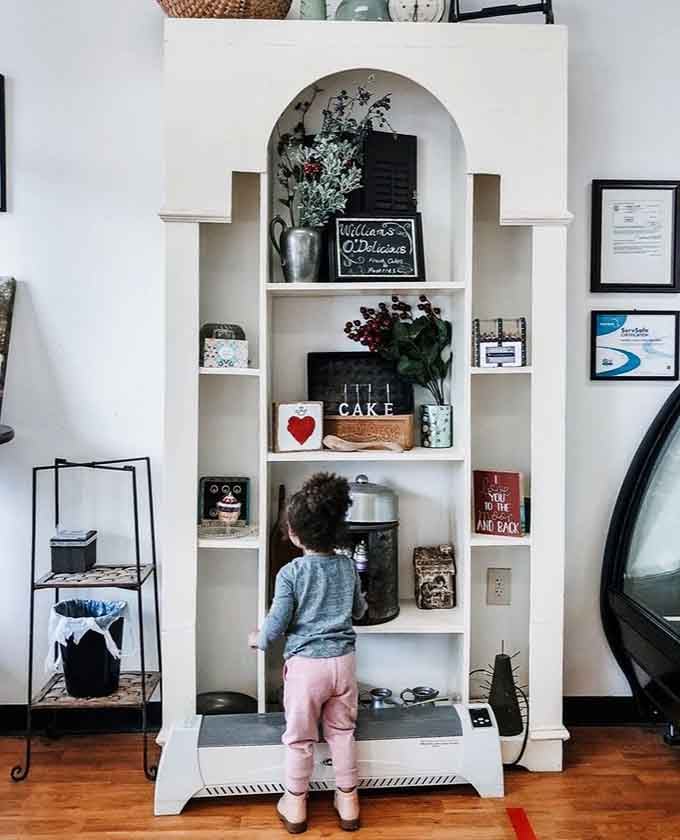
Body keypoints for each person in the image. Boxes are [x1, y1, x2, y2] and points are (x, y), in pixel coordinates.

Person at [249, 472, 367, 834]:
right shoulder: (347, 566)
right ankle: (348, 801)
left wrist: (259, 639)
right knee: (342, 732)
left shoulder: (291, 573)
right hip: (343, 665)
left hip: (306, 669)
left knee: (299, 738)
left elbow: (277, 620)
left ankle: (296, 804)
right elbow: (359, 611)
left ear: (295, 534)